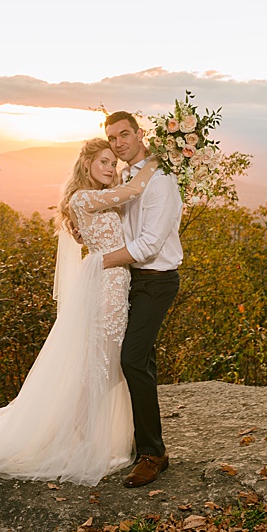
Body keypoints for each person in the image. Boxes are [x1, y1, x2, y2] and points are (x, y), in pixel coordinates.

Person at [0, 140, 160, 485]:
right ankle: (78, 441)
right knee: (105, 368)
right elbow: (133, 189)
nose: (111, 168)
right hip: (107, 287)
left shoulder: (93, 198)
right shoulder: (83, 198)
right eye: (104, 161)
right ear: (86, 164)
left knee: (108, 367)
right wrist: (159, 158)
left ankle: (82, 437)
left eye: (113, 163)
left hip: (116, 282)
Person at [102, 111, 183, 488]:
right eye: (112, 137)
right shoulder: (127, 177)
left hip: (158, 280)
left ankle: (154, 454)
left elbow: (150, 244)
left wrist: (101, 262)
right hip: (132, 280)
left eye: (124, 135)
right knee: (141, 360)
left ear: (139, 134)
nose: (118, 143)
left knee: (131, 360)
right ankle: (143, 445)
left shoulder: (161, 180)